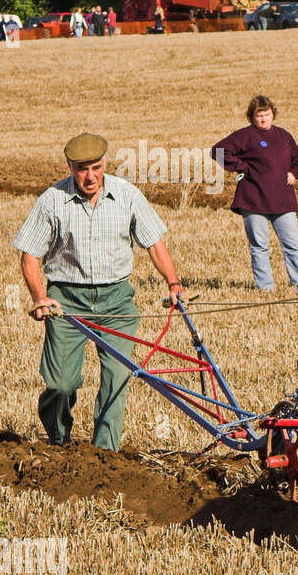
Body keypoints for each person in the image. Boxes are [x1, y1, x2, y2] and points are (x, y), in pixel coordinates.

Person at [13, 132, 186, 450]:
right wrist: (39, 296)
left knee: (116, 380)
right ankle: (58, 439)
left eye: (95, 167)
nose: (90, 176)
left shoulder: (127, 195)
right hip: (66, 302)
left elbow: (155, 245)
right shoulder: (52, 200)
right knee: (61, 384)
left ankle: (105, 455)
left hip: (116, 302)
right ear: (70, 166)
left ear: (105, 163)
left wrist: (173, 284)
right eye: (82, 169)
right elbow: (29, 255)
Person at [210, 95, 298, 292]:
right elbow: (217, 151)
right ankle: (266, 289)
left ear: (273, 114)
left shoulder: (283, 136)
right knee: (259, 247)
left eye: (267, 114)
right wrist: (241, 167)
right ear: (252, 117)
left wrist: (294, 172)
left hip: (283, 200)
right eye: (259, 115)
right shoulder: (244, 136)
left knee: (293, 245)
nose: (264, 119)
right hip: (253, 200)